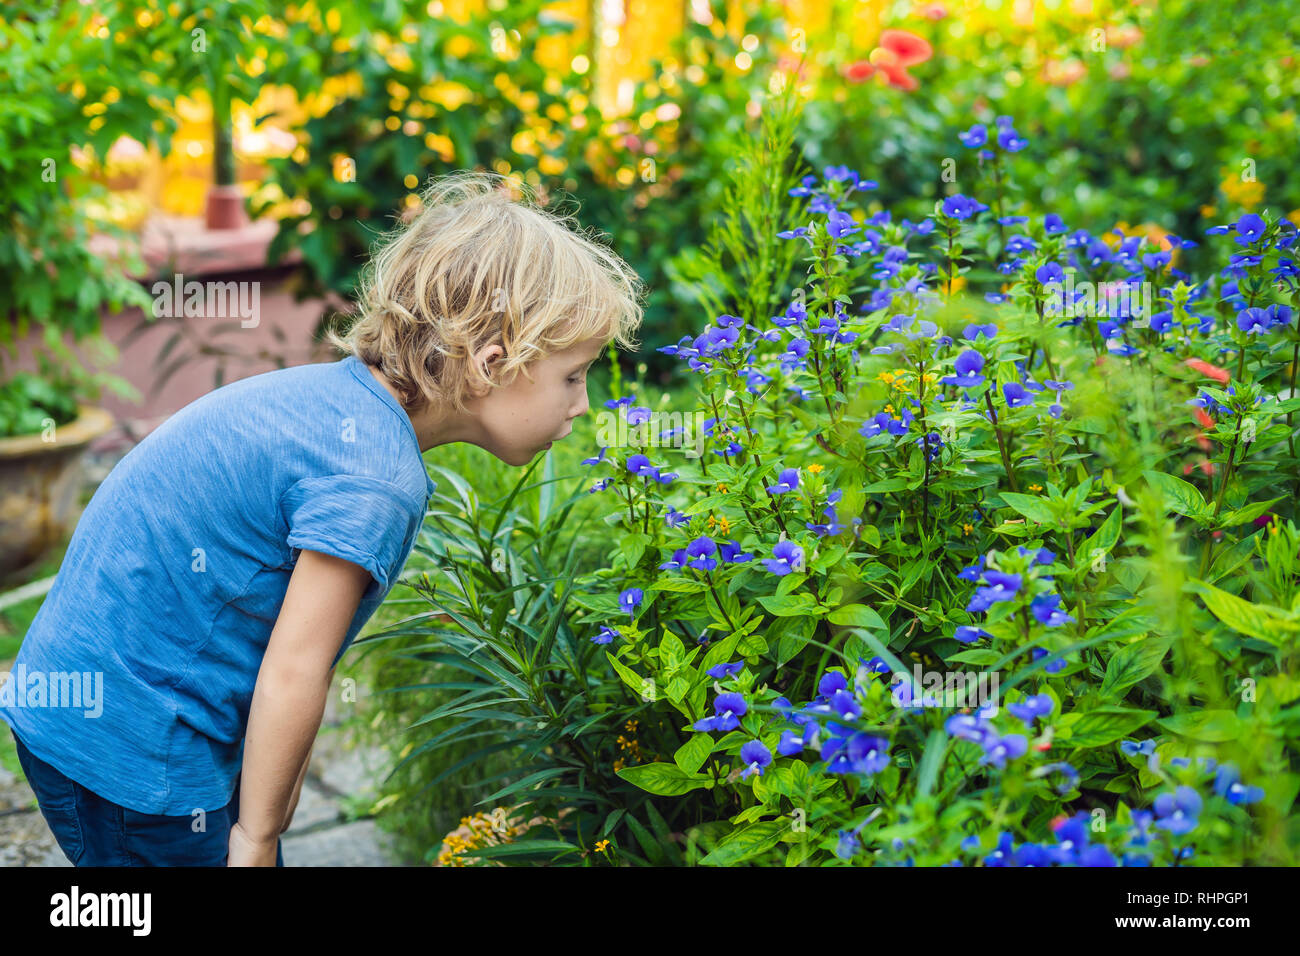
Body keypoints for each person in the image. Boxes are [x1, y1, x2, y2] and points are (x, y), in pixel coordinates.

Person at [0, 170, 644, 865]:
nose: (581, 405)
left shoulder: (334, 407)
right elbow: (295, 670)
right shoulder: (373, 475)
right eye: (573, 376)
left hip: (94, 705)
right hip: (136, 750)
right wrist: (257, 836)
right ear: (491, 365)